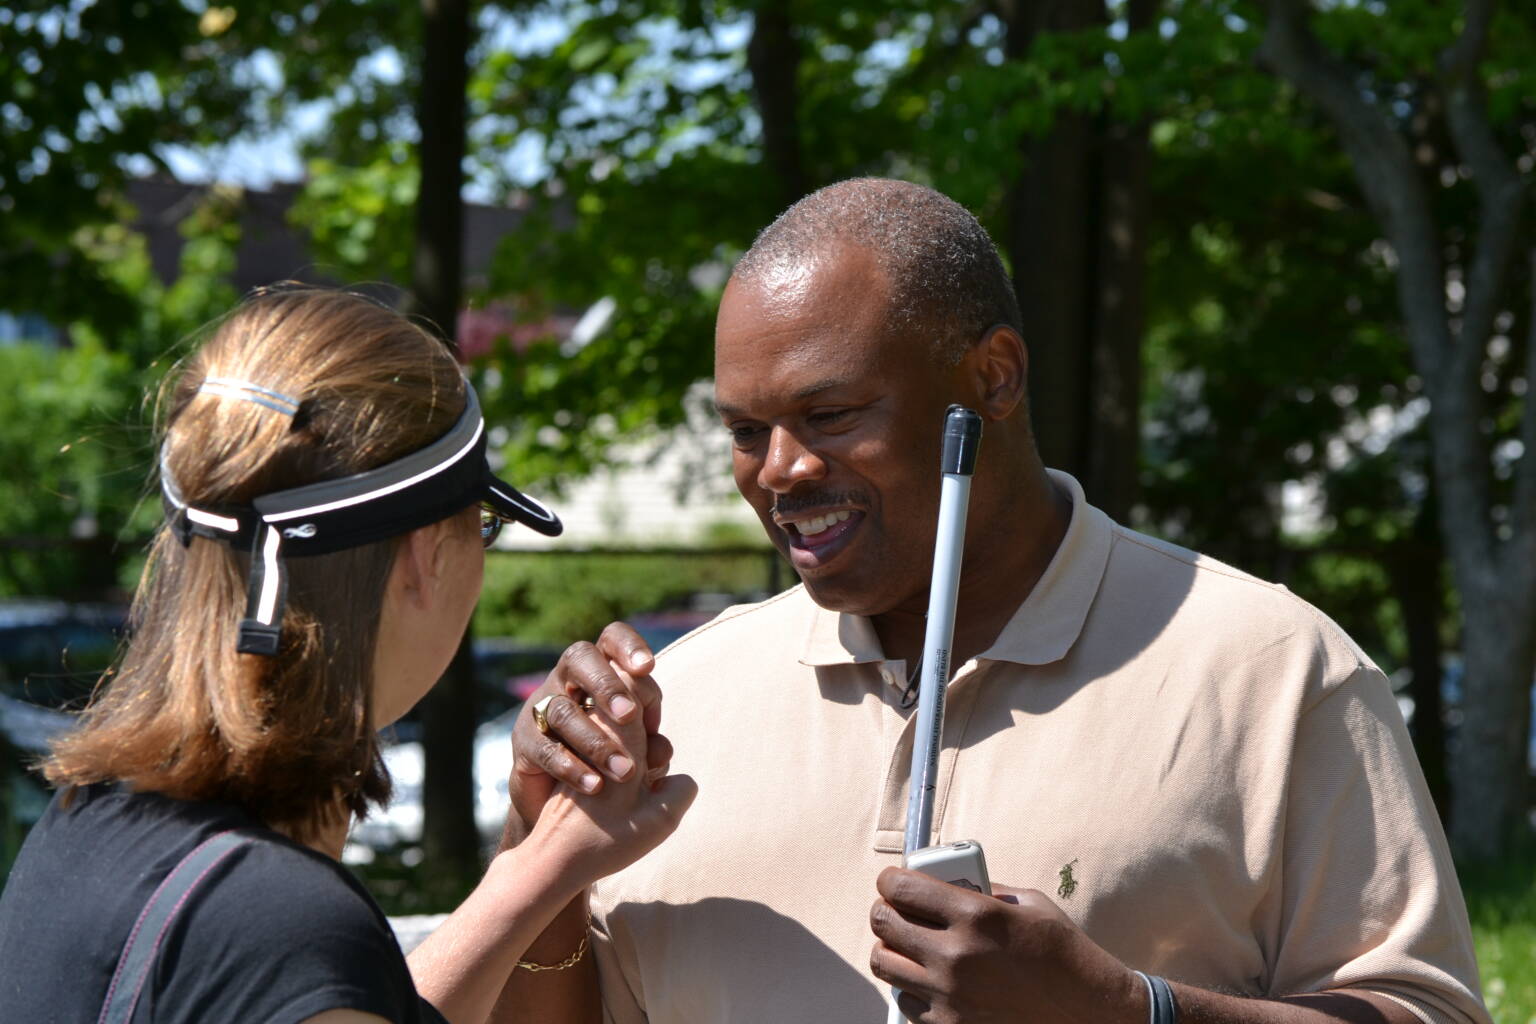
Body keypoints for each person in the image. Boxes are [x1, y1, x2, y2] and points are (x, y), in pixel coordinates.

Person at [504, 179, 1491, 1024]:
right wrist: (539, 849)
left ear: (993, 377)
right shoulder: (687, 700)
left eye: (830, 414)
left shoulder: (1269, 670)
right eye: (745, 431)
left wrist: (1123, 1009)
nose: (781, 470)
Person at [0, 287, 695, 1024]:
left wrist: (539, 861)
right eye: (482, 525)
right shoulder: (282, 925)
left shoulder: (90, 820)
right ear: (424, 557)